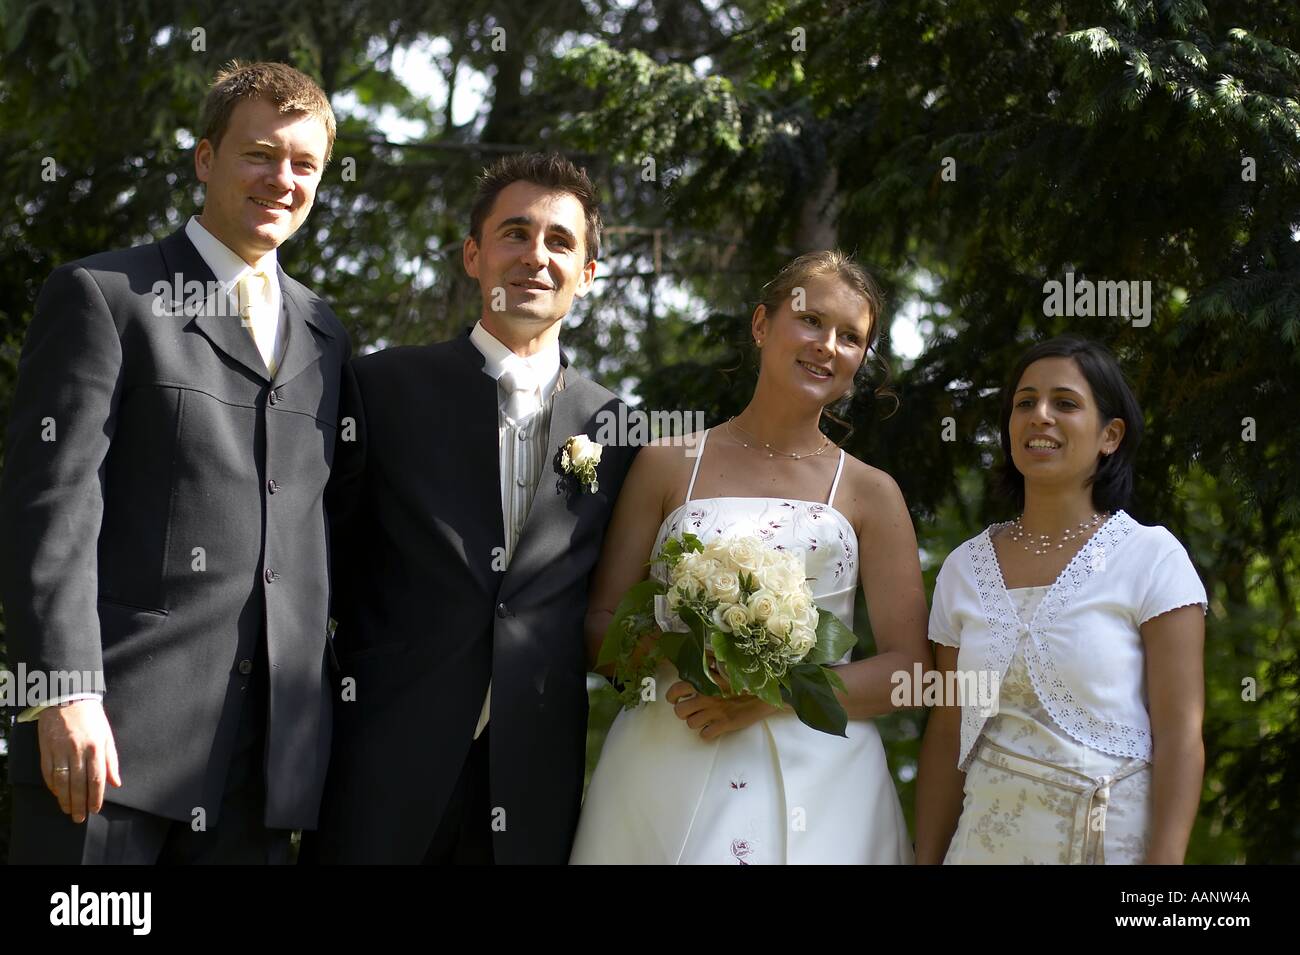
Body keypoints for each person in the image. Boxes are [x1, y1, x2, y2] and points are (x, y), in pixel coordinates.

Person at [0, 61, 348, 863]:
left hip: (259, 776)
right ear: (204, 159)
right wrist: (63, 689)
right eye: (260, 154)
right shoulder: (103, 295)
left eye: (304, 165)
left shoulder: (327, 335)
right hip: (105, 752)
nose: (281, 179)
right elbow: (50, 506)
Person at [306, 153, 637, 864]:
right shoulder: (381, 388)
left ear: (588, 273)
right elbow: (311, 571)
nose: (535, 256)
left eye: (560, 241)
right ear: (473, 254)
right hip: (379, 764)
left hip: (533, 780)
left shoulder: (619, 428)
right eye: (515, 233)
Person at [569, 250, 929, 864]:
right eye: (810, 320)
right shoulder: (665, 462)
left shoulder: (872, 492)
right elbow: (598, 625)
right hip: (669, 749)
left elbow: (911, 673)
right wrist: (689, 655)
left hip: (826, 788)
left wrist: (773, 691)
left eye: (851, 338)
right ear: (762, 325)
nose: (827, 346)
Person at [914, 335, 1207, 864]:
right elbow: (946, 733)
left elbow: (1181, 735)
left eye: (1065, 403)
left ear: (1110, 435)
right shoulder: (963, 570)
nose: (1040, 416)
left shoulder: (1152, 558)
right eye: (1024, 403)